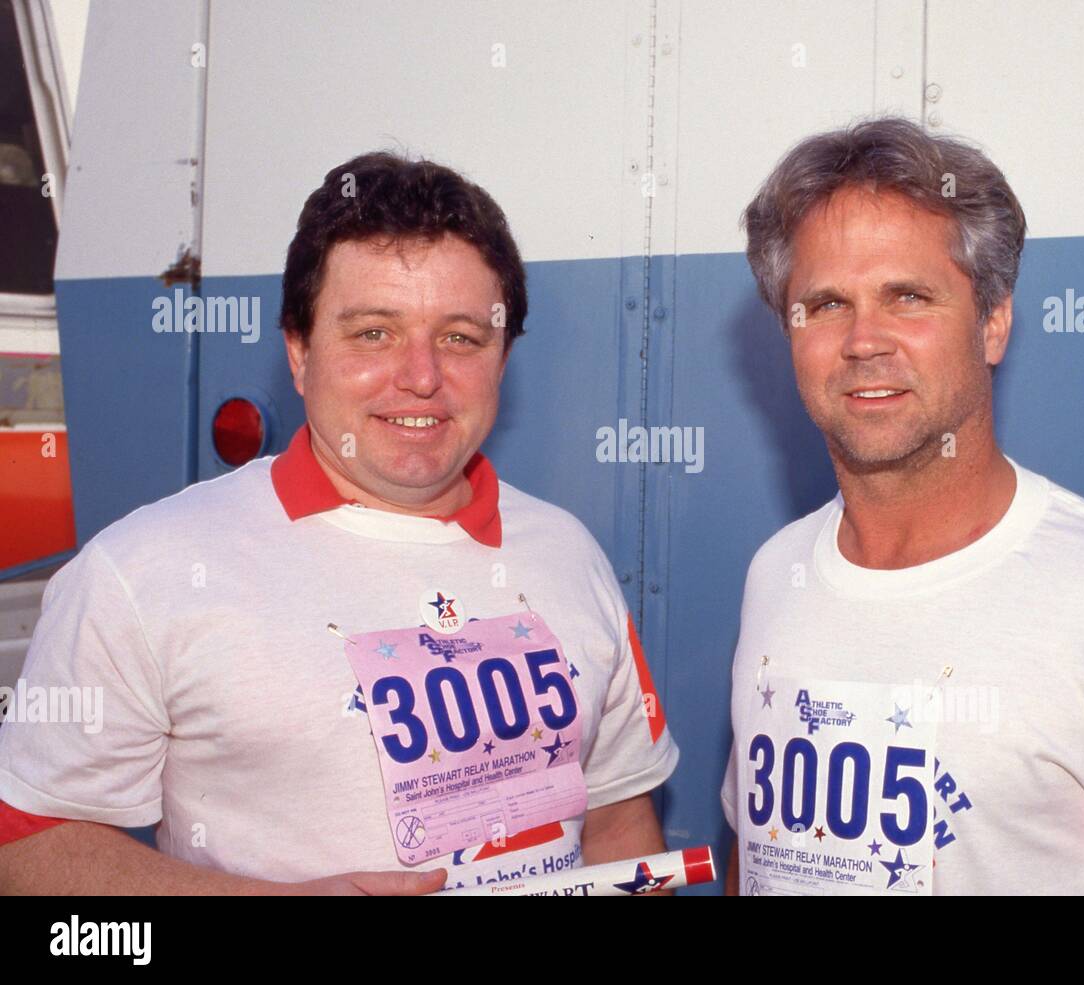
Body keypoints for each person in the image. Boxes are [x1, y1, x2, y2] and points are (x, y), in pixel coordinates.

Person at [0, 152, 678, 894]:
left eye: (460, 336)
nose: (421, 375)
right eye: (373, 333)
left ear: (504, 355)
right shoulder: (140, 573)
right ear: (299, 350)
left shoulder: (568, 553)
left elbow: (616, 816)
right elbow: (28, 850)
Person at [721, 117, 1084, 895]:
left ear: (993, 322)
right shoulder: (775, 573)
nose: (864, 340)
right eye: (824, 305)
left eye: (908, 296)